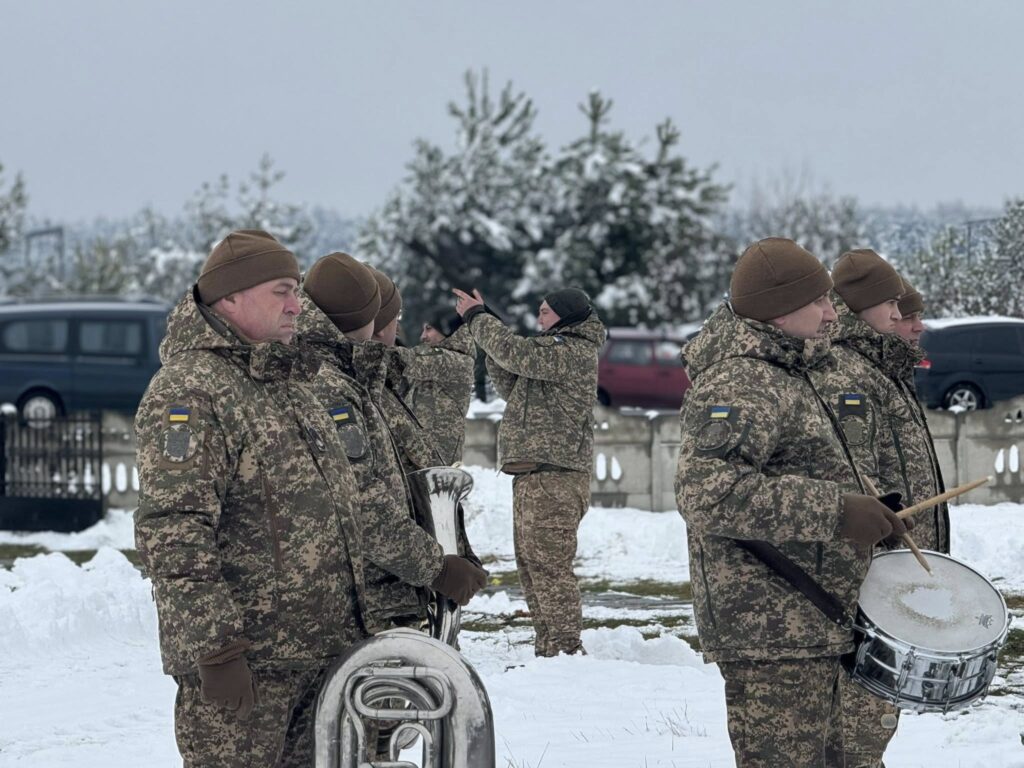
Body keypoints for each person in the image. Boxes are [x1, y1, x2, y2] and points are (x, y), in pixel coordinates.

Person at [134, 230, 370, 767]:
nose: (297, 306)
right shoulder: (193, 391)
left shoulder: (283, 380)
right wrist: (214, 649)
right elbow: (174, 528)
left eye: (297, 291)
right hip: (248, 663)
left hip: (316, 656)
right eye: (282, 292)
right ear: (231, 298)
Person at [675, 237, 911, 767]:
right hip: (770, 627)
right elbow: (706, 492)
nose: (833, 314)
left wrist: (875, 510)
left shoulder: (803, 370)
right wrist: (837, 511)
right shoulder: (741, 380)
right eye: (819, 303)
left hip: (819, 614)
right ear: (779, 312)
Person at [299, 251, 486, 637]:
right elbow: (362, 502)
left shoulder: (350, 379)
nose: (401, 329)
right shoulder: (332, 387)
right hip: (364, 598)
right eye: (393, 319)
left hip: (387, 587)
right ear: (370, 321)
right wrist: (438, 567)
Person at [815, 259, 950, 768]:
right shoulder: (847, 369)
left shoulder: (881, 366)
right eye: (893, 305)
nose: (905, 319)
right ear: (861, 305)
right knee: (858, 719)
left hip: (894, 565)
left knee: (872, 718)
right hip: (870, 568)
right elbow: (849, 472)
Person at [453, 285, 606, 657]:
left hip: (556, 476)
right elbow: (512, 380)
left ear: (566, 316)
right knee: (532, 565)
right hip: (535, 475)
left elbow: (516, 354)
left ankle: (567, 651)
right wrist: (490, 338)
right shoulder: (550, 353)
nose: (539, 318)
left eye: (546, 312)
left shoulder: (571, 350)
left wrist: (480, 319)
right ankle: (549, 649)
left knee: (550, 566)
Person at [394, 310, 476, 465]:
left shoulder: (457, 361)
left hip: (438, 458)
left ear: (447, 330)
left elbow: (409, 360)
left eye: (429, 329)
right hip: (420, 453)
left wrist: (389, 339)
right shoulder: (435, 361)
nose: (422, 336)